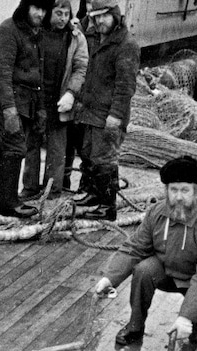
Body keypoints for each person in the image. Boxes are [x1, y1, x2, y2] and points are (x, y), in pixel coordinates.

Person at [94, 155, 197, 348]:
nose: (178, 196)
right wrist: (109, 278)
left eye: (184, 190)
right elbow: (134, 247)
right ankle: (135, 326)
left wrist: (186, 317)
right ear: (166, 190)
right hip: (165, 270)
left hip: (195, 278)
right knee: (143, 270)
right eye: (173, 190)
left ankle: (194, 324)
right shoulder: (156, 212)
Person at [72, 0, 137, 221]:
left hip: (109, 115)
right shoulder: (93, 38)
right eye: (95, 16)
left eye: (104, 16)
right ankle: (93, 194)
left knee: (105, 159)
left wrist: (115, 118)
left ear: (115, 16)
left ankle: (108, 206)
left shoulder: (126, 45)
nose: (99, 21)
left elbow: (125, 87)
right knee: (89, 154)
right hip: (90, 112)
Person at [0, 0, 54, 219]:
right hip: (10, 101)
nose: (40, 13)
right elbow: (1, 75)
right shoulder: (7, 32)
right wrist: (9, 110)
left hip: (28, 101)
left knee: (7, 147)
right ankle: (9, 203)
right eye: (36, 7)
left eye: (44, 9)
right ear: (25, 8)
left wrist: (42, 108)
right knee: (15, 147)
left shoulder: (36, 34)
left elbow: (40, 74)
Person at [20, 0, 87, 200]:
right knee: (31, 144)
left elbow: (80, 67)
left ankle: (52, 190)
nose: (63, 18)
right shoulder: (36, 33)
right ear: (50, 13)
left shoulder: (75, 37)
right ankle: (29, 188)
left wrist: (71, 93)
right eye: (59, 13)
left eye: (66, 14)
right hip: (36, 99)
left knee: (57, 149)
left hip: (60, 101)